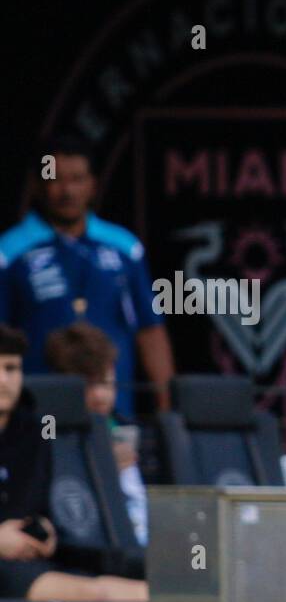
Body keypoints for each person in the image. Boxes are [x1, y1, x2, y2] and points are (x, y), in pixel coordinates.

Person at [0, 135, 174, 417]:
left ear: (93, 185)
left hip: (112, 410)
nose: (67, 190)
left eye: (77, 179)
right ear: (37, 184)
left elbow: (150, 330)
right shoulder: (8, 252)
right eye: (56, 179)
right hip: (36, 410)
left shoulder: (125, 248)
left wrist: (168, 407)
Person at [0, 325, 147, 602]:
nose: (4, 380)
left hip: (31, 559)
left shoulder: (35, 430)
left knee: (146, 578)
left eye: (11, 369)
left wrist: (43, 528)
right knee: (97, 593)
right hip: (9, 567)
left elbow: (34, 504)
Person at [44, 323, 148, 545]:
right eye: (89, 385)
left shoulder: (131, 429)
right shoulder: (48, 432)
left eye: (105, 383)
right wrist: (106, 468)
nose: (99, 396)